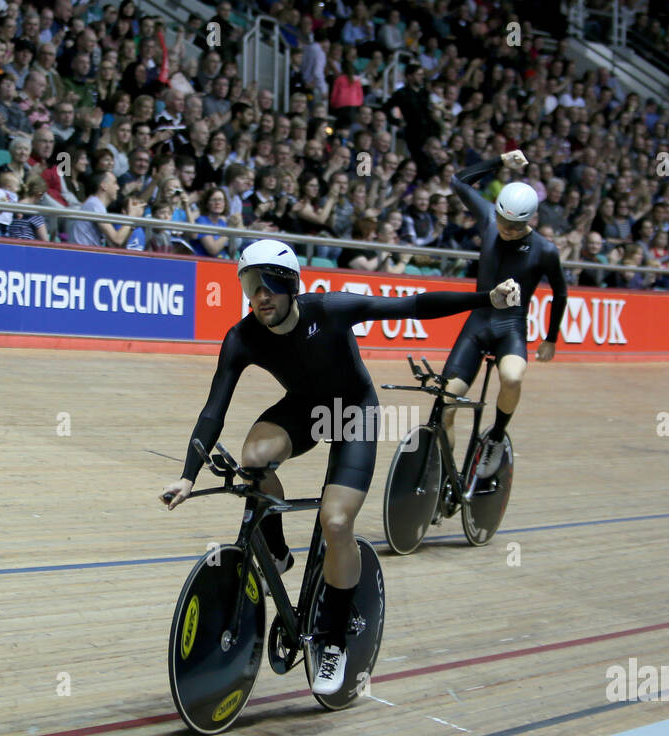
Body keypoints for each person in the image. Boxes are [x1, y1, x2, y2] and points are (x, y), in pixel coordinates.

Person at [161, 239, 521, 695]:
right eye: (251, 285)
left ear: (291, 285)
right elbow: (215, 408)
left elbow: (411, 305)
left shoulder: (329, 310)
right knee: (252, 460)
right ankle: (275, 553)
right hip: (305, 409)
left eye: (269, 283)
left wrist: (484, 299)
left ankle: (332, 641)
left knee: (335, 523)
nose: (260, 295)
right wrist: (188, 474)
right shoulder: (242, 337)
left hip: (353, 412)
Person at [442, 150, 568, 476]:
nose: (507, 230)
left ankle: (496, 436)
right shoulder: (487, 218)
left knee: (511, 376)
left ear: (531, 220)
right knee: (444, 406)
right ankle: (445, 477)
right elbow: (458, 181)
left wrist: (551, 338)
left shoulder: (545, 250)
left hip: (510, 327)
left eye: (516, 226)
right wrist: (499, 161)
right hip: (478, 322)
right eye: (503, 223)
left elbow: (561, 292)